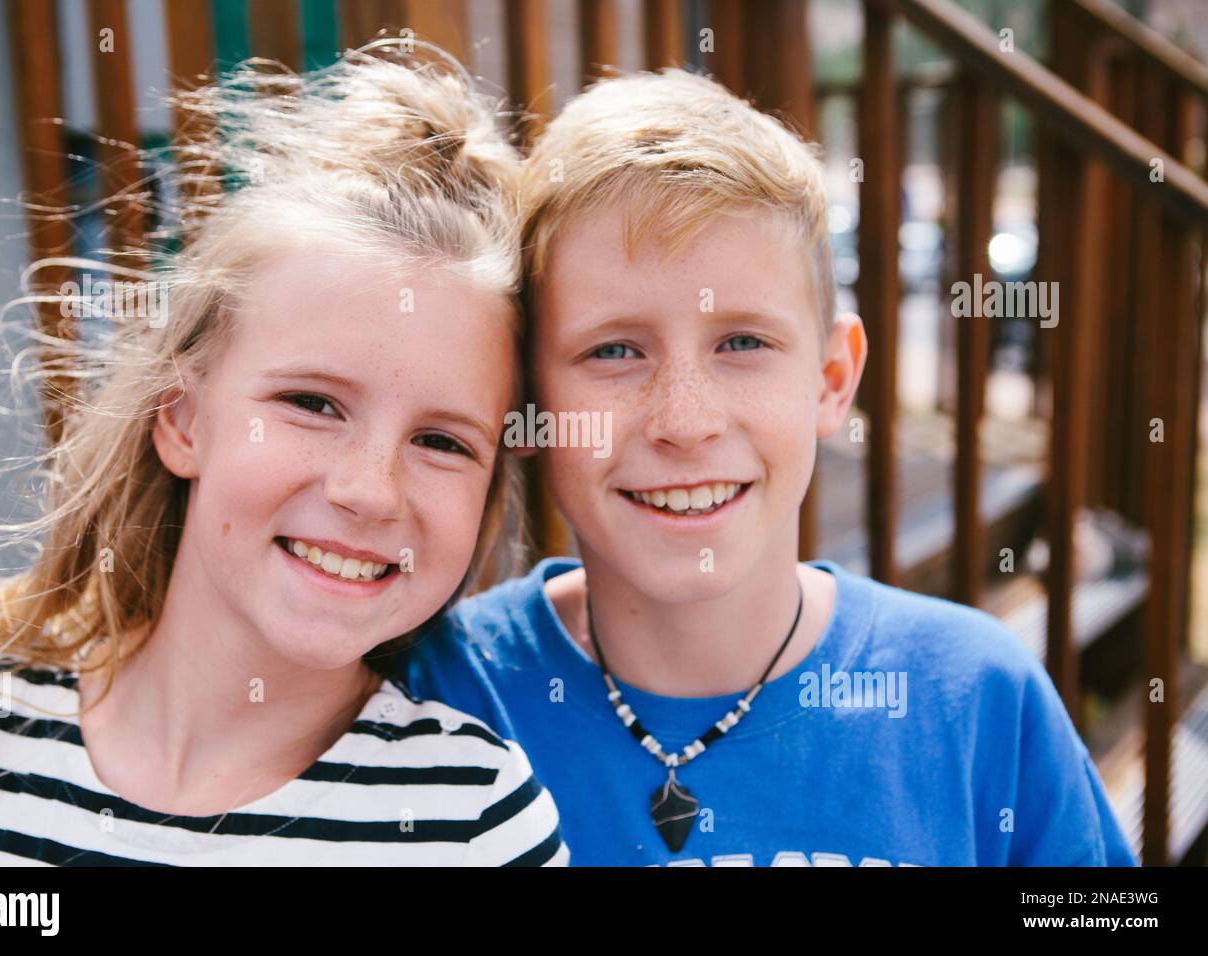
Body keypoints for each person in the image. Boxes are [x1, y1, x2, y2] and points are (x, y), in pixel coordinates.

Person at [394, 68, 1138, 867]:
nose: (686, 422)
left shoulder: (977, 698)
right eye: (613, 350)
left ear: (831, 379)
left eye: (742, 343)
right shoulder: (440, 692)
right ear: (527, 401)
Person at [0, 44, 566, 866]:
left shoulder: (470, 820)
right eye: (312, 404)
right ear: (181, 418)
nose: (369, 489)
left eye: (440, 441)